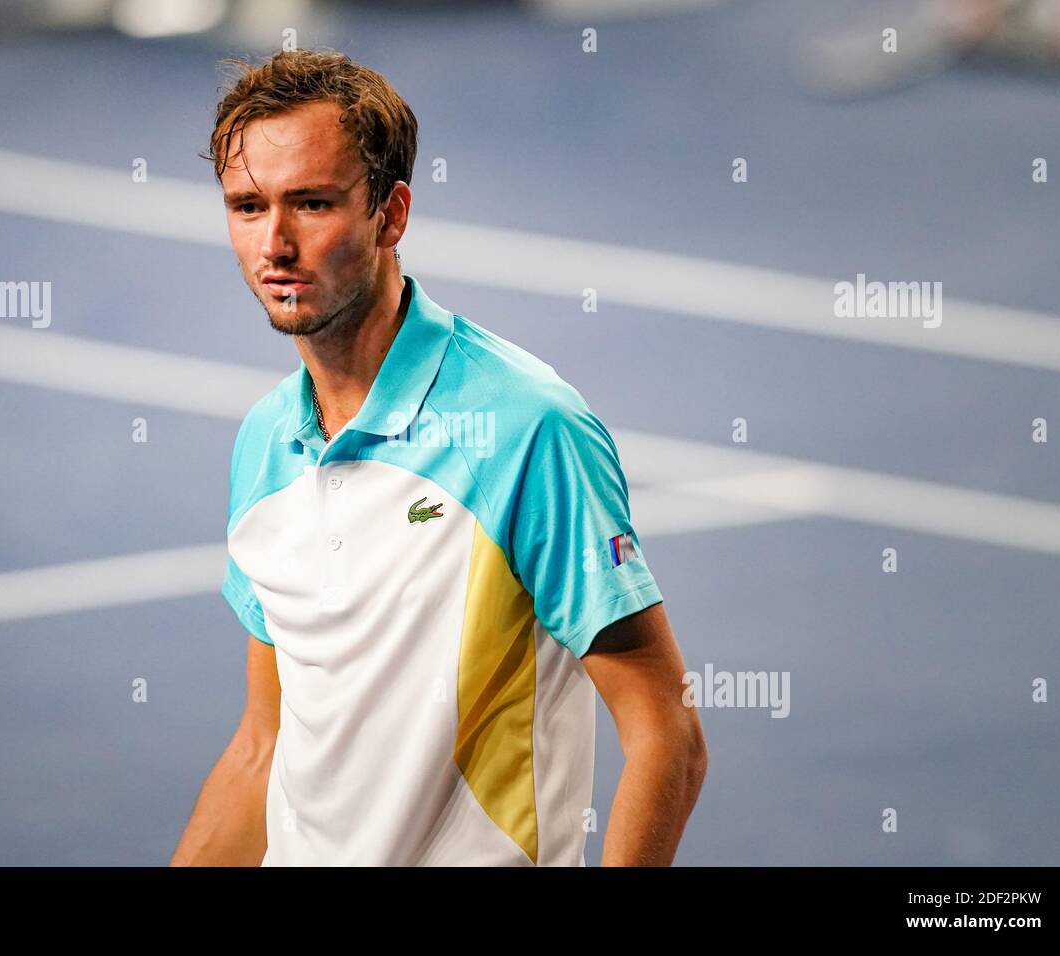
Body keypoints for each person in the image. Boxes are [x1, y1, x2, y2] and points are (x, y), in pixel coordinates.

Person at [171, 48, 707, 867]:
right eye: (247, 207)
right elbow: (261, 747)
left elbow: (665, 730)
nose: (274, 243)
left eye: (310, 204)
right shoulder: (265, 442)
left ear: (391, 215)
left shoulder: (529, 427)